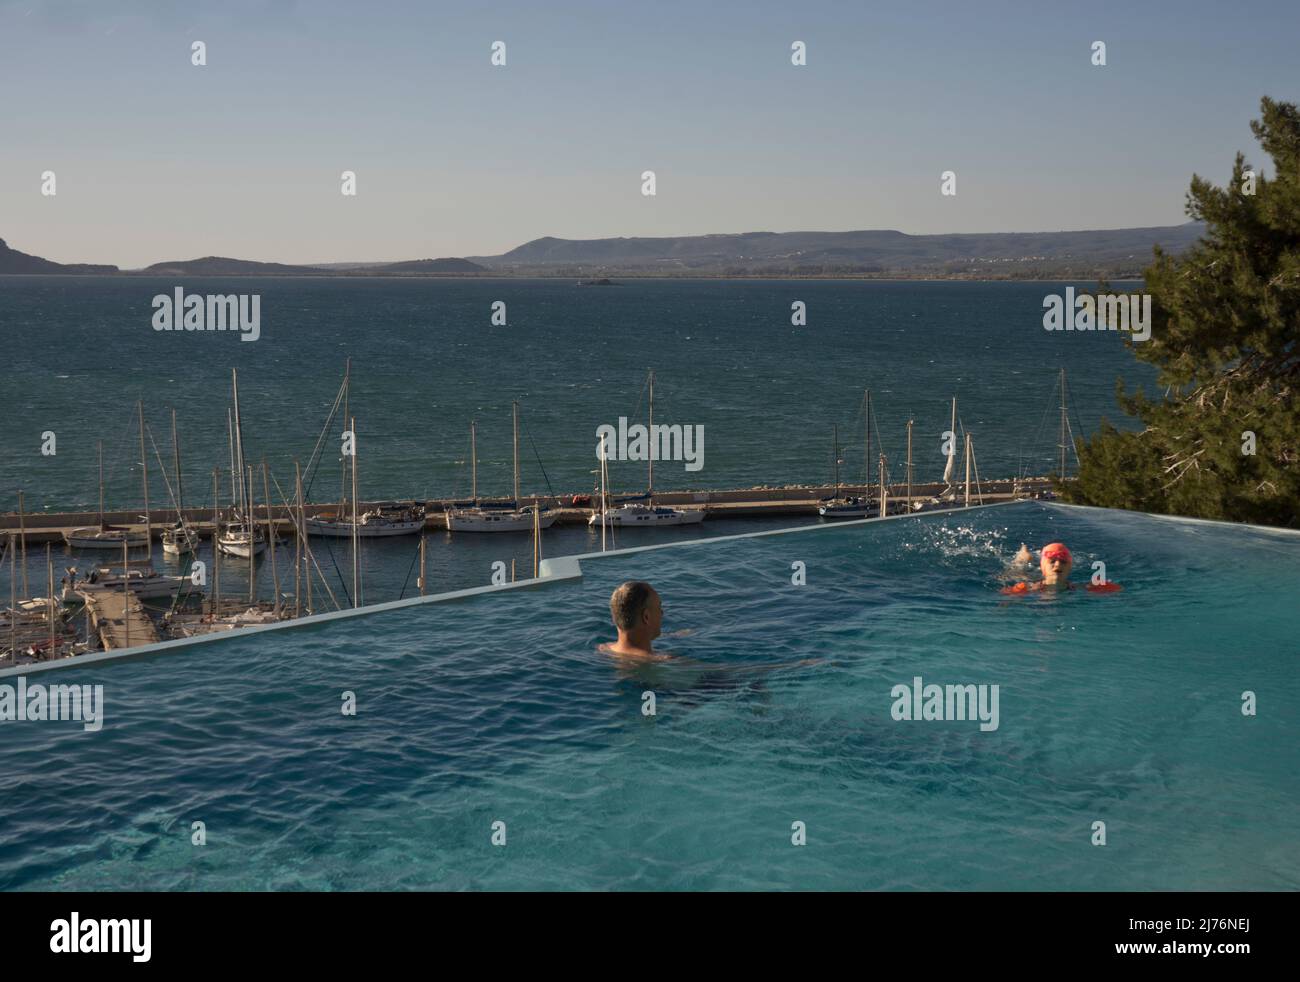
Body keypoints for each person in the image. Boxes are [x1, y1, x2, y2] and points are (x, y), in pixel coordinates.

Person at [1001, 541, 1122, 594]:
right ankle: (1024, 556)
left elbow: (1117, 590)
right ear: (1043, 566)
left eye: (1063, 562)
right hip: (1033, 581)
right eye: (1052, 561)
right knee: (1019, 572)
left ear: (1069, 568)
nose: (1058, 565)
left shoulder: (1079, 588)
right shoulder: (1026, 588)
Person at [599, 580, 668, 660]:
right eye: (659, 608)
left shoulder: (603, 649)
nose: (662, 613)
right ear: (646, 617)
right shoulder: (665, 661)